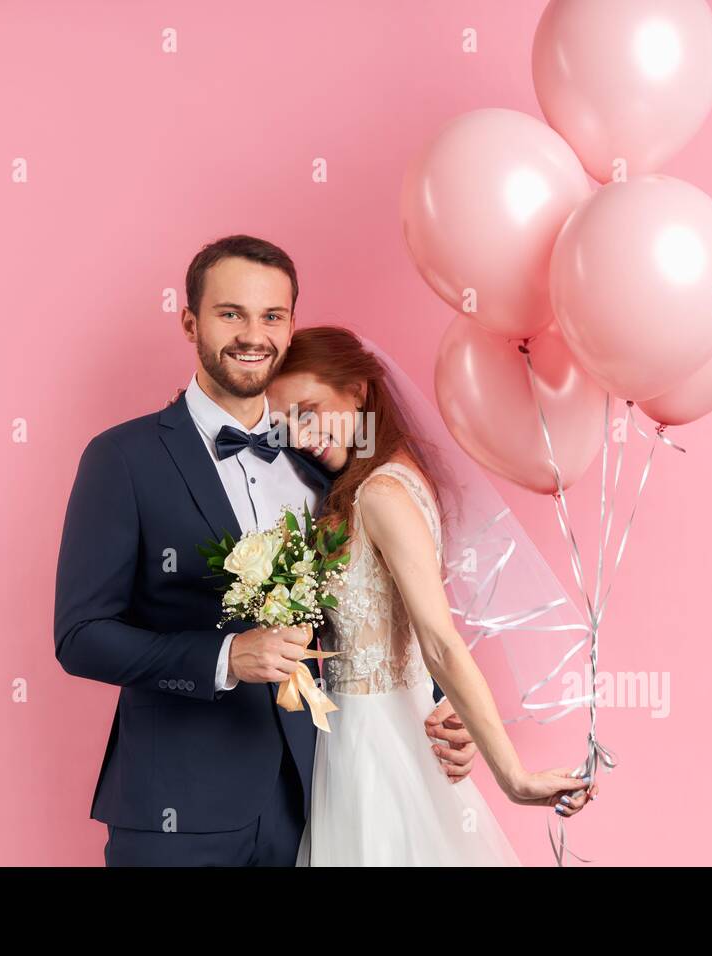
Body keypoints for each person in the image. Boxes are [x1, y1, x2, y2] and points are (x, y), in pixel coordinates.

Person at [52, 235, 480, 866]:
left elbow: (370, 610)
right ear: (190, 321)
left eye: (271, 316)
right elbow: (81, 635)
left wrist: (445, 710)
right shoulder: (122, 458)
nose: (253, 335)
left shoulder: (319, 467)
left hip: (309, 806)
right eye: (231, 314)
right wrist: (226, 656)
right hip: (175, 812)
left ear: (290, 326)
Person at [267, 326, 598, 866]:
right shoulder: (381, 480)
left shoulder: (381, 493)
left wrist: (511, 774)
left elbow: (439, 641)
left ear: (357, 389)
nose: (300, 435)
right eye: (285, 424)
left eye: (309, 410)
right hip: (362, 735)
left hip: (380, 745)